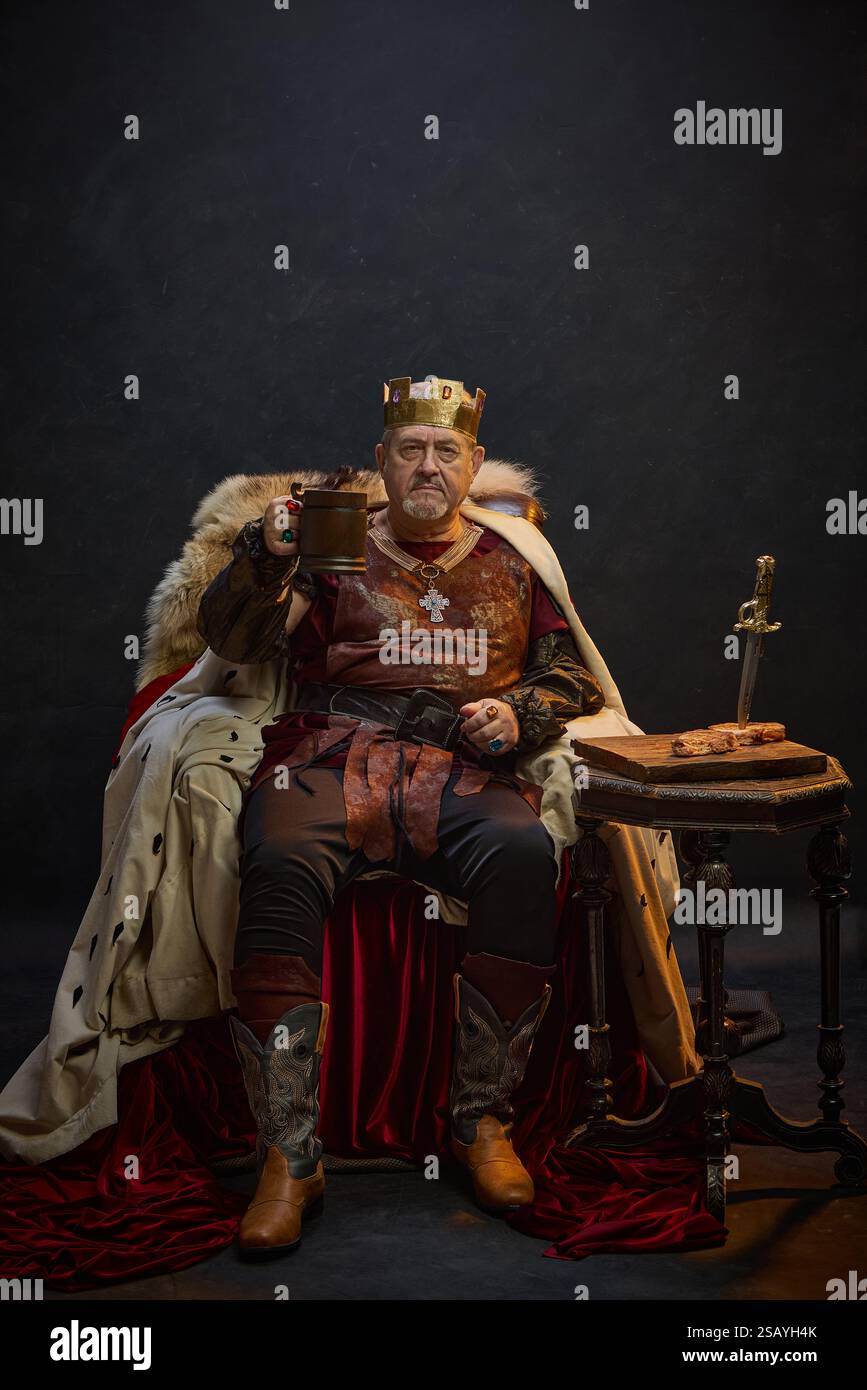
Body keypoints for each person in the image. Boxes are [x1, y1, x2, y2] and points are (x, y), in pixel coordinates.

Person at [196, 373, 608, 1257]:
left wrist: (523, 714)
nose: (428, 466)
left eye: (445, 451)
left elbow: (570, 675)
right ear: (383, 461)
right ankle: (289, 1155)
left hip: (460, 764)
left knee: (520, 849)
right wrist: (265, 554)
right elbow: (233, 641)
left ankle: (480, 1124)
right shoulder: (331, 545)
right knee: (277, 853)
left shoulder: (510, 557)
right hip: (330, 752)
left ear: (474, 463)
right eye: (410, 449)